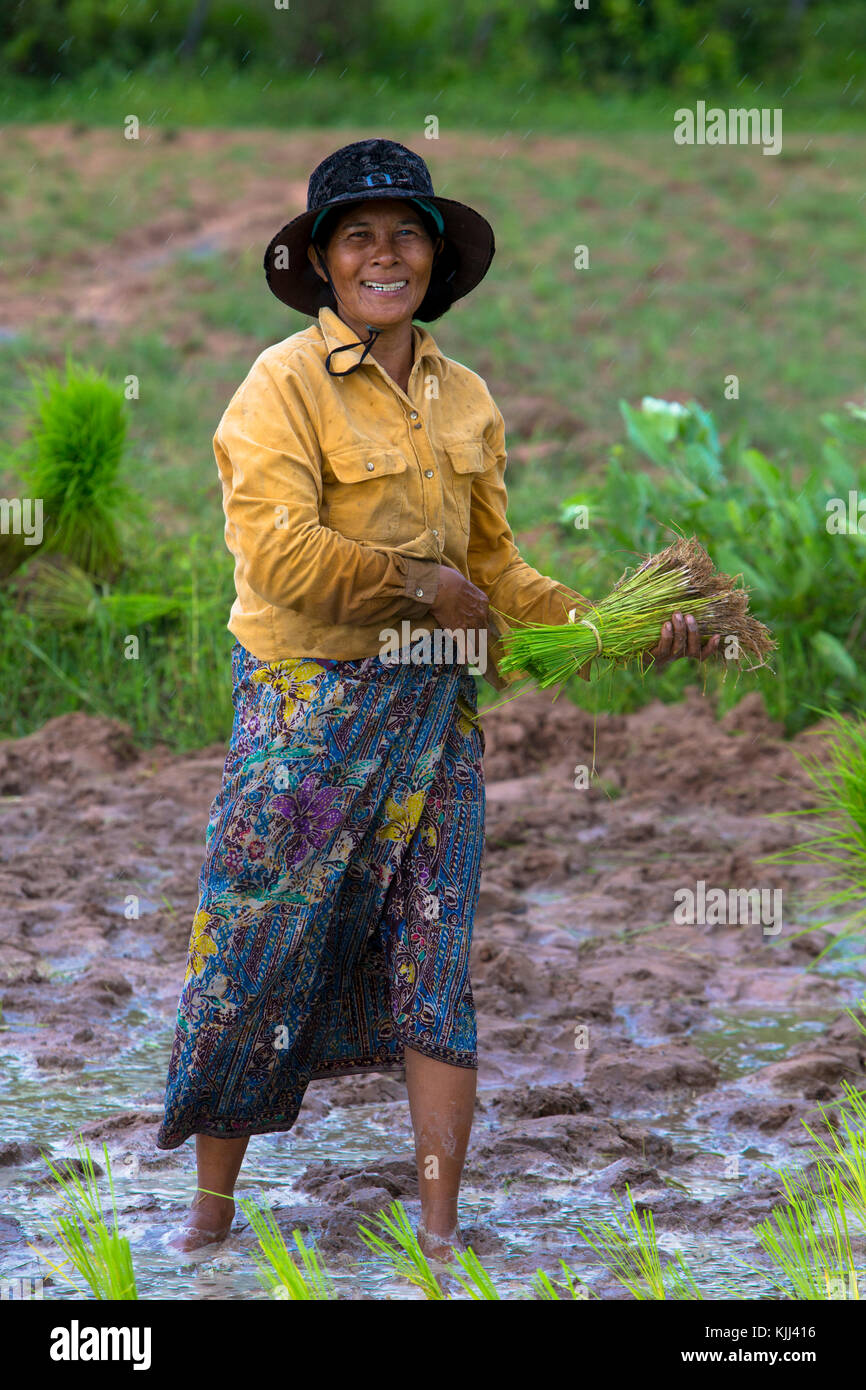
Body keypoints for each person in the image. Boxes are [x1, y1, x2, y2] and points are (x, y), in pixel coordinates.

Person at [156, 137, 719, 1259]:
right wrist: (416, 579)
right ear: (320, 262)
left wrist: (615, 627)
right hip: (305, 713)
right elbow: (277, 555)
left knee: (435, 953)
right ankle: (206, 1229)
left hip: (432, 719)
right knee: (257, 950)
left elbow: (500, 575)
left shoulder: (463, 399)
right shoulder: (278, 387)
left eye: (403, 232)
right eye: (356, 235)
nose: (383, 253)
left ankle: (442, 1235)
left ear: (433, 256)